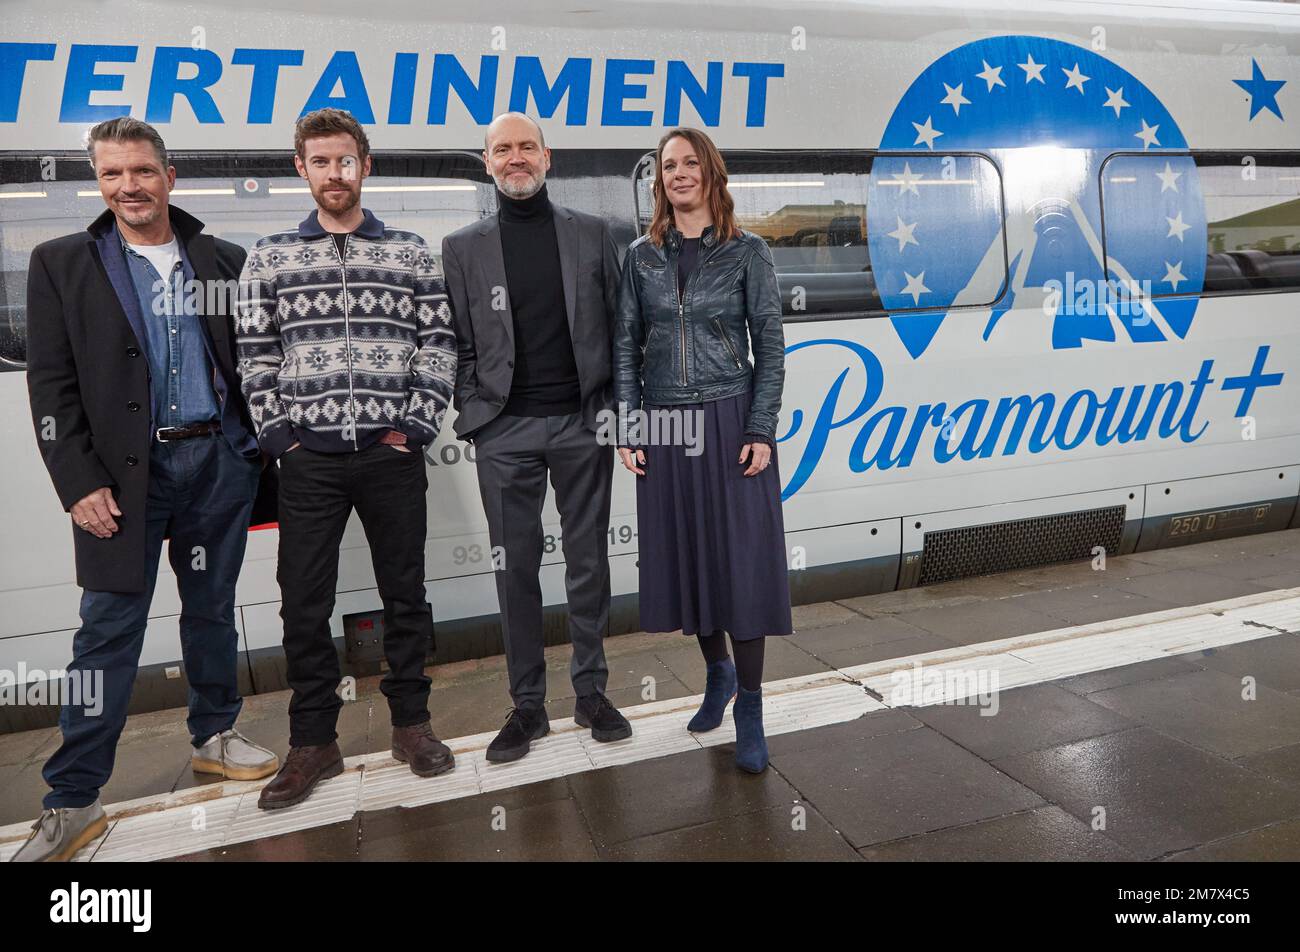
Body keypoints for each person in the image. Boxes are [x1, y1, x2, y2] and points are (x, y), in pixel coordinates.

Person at [15, 117, 278, 861]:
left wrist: (251, 449)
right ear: (98, 182)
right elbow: (51, 388)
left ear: (169, 176)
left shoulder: (223, 261)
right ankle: (73, 798)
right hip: (122, 482)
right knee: (106, 634)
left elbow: (254, 361)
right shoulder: (61, 264)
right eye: (111, 175)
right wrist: (76, 484)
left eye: (141, 172)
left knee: (212, 613)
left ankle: (215, 734)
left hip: (218, 466)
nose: (128, 186)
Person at [236, 108, 458, 809]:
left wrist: (414, 427)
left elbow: (439, 345)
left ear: (366, 165)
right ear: (300, 169)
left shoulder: (411, 252)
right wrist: (282, 440)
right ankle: (314, 743)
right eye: (320, 161)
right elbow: (254, 358)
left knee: (406, 597)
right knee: (304, 605)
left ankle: (412, 726)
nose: (335, 173)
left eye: (346, 160)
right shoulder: (267, 257)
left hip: (391, 455)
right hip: (309, 461)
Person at [442, 112, 630, 763]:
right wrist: (477, 416)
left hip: (583, 423)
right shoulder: (462, 248)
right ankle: (528, 707)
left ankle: (591, 693)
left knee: (588, 563)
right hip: (505, 431)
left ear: (547, 158)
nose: (515, 158)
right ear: (487, 162)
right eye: (503, 149)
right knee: (514, 568)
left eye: (526, 147)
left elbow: (620, 329)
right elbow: (458, 343)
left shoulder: (597, 235)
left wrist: (615, 412)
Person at [613, 127, 791, 773]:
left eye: (690, 163)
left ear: (711, 174)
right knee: (688, 559)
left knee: (740, 564)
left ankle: (749, 704)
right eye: (669, 165)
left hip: (729, 415)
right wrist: (630, 426)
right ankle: (715, 671)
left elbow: (769, 346)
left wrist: (760, 427)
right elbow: (626, 347)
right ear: (659, 179)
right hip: (663, 420)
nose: (679, 173)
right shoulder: (641, 256)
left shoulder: (749, 253)